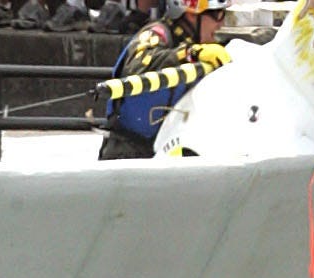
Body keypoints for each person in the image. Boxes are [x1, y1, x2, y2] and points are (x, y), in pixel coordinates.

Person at [99, 0, 232, 160]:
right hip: (128, 148)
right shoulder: (156, 34)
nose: (221, 23)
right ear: (191, 15)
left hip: (168, 145)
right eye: (217, 15)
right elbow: (136, 67)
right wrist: (188, 54)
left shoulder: (204, 45)